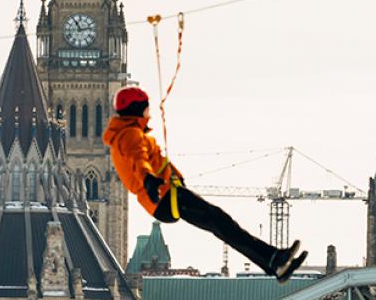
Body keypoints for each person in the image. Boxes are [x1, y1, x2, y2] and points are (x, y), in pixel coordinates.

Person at [103, 86, 306, 282]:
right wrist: (149, 179)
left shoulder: (127, 134)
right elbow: (138, 159)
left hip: (165, 197)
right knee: (221, 222)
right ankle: (274, 260)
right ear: (137, 109)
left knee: (220, 224)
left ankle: (274, 263)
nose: (149, 112)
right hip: (166, 197)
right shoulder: (131, 135)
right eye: (146, 107)